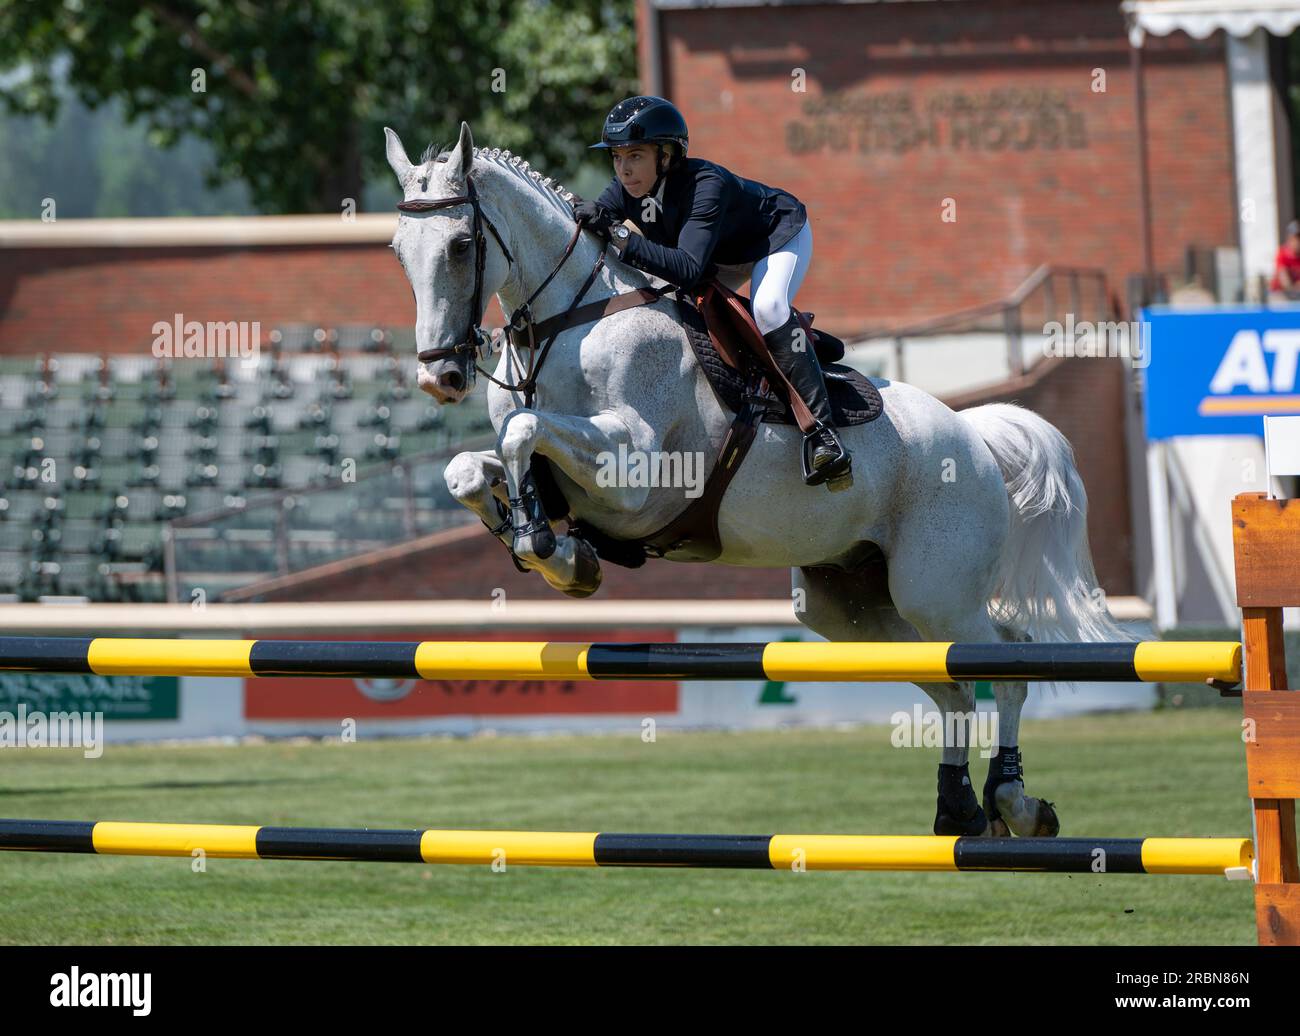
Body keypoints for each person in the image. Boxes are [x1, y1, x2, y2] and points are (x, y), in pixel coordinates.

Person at [572, 95, 851, 488]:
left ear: (666, 155)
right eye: (617, 157)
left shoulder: (706, 185)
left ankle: (824, 434)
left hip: (774, 238)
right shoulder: (625, 189)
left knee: (770, 308)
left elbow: (687, 268)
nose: (624, 169)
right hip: (713, 253)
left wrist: (618, 234)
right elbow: (595, 221)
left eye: (635, 155)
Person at [1271, 220, 1300, 301]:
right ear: (1289, 239)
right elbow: (1284, 280)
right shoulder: (1282, 254)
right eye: (1295, 238)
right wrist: (1294, 288)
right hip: (1281, 293)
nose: (1297, 242)